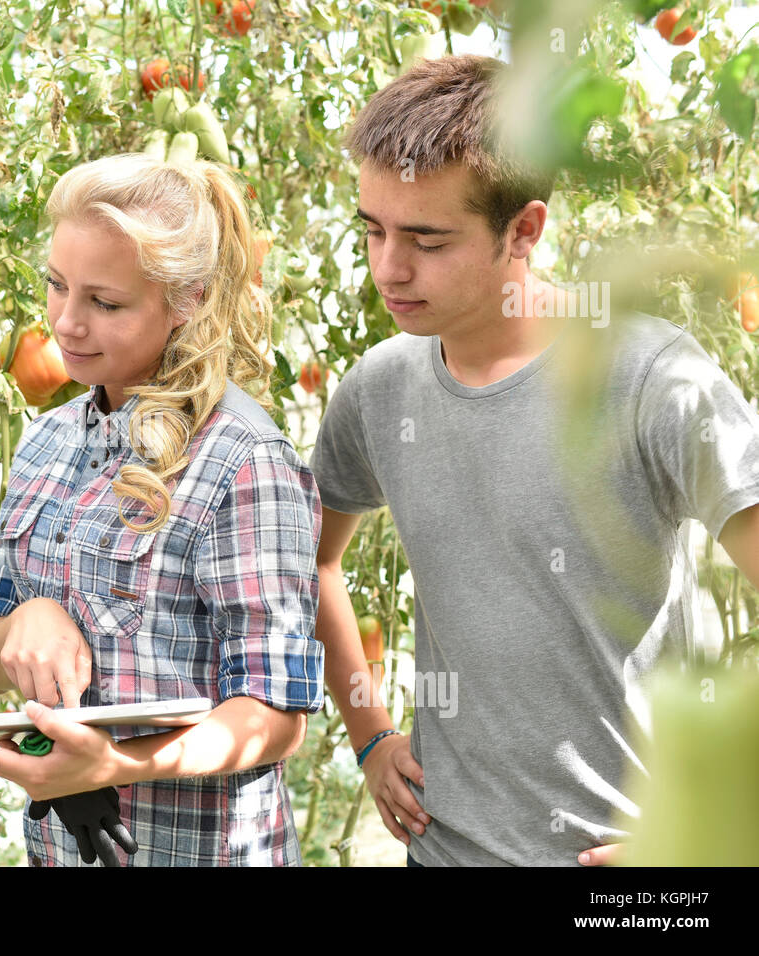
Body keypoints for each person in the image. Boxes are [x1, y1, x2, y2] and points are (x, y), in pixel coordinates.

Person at [311, 54, 759, 866]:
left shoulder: (651, 379)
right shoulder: (379, 390)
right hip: (443, 853)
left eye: (427, 239)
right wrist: (370, 733)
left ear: (525, 229)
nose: (388, 268)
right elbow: (316, 564)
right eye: (373, 230)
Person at [0, 153, 324, 866]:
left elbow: (274, 714)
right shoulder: (46, 443)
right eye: (57, 286)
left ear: (188, 300)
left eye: (105, 303)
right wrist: (26, 619)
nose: (66, 323)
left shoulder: (241, 458)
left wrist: (116, 765)